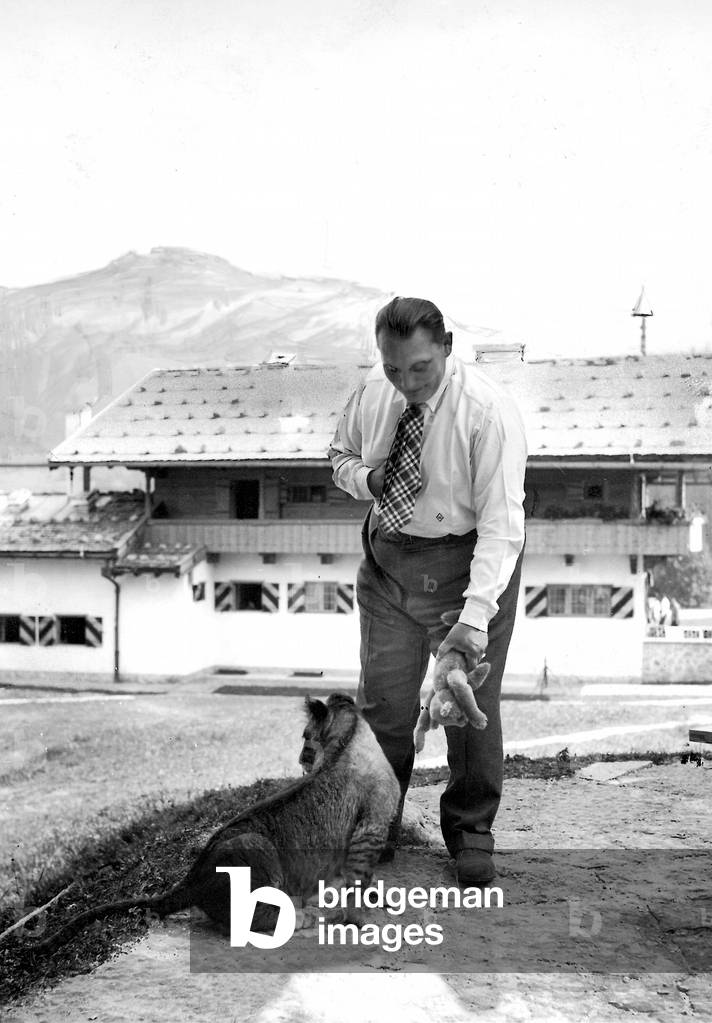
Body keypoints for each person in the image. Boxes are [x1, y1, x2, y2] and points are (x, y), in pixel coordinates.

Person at [329, 296, 527, 886]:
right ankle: (376, 827)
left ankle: (471, 834)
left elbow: (502, 527)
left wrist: (473, 620)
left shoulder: (487, 412)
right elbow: (337, 456)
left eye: (420, 368)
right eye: (394, 369)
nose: (407, 382)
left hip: (466, 566)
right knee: (384, 706)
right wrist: (369, 478)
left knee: (466, 706)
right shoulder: (372, 392)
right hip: (388, 565)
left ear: (446, 346)